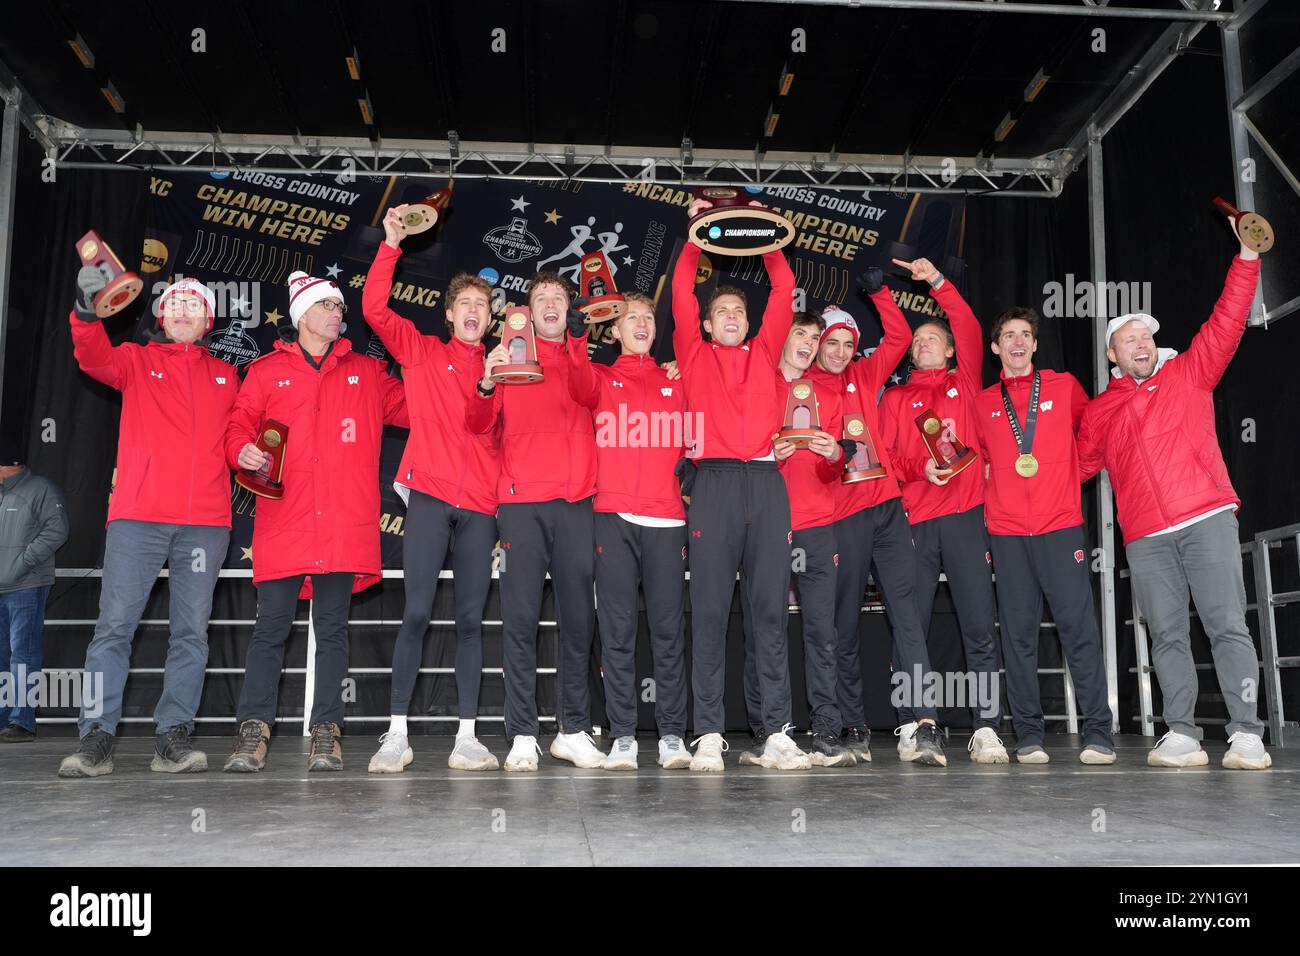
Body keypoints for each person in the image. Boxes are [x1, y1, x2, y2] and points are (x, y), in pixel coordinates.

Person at [1078, 223, 1268, 770]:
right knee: (1166, 634)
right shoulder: (1099, 410)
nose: (1141, 344)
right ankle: (1182, 733)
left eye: (1146, 336)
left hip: (1205, 516)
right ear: (1112, 353)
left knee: (1226, 625)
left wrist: (1246, 257)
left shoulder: (1189, 372)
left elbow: (1227, 319)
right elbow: (1073, 468)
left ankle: (1247, 733)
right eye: (1129, 339)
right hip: (1145, 536)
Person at [223, 270, 407, 773]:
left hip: (343, 521)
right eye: (327, 305)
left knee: (332, 629)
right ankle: (253, 729)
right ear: (302, 314)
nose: (336, 313)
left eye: (339, 307)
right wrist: (241, 450)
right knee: (270, 629)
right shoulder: (265, 371)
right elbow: (238, 426)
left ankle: (327, 730)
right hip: (285, 519)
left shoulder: (367, 371)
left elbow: (418, 408)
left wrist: (452, 374)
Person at [59, 275, 236, 777]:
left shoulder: (227, 376)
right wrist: (86, 311)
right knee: (114, 627)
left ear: (207, 320)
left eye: (193, 305)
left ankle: (173, 737)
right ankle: (96, 737)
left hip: (204, 524)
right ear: (161, 315)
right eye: (173, 303)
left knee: (191, 634)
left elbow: (234, 438)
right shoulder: (135, 360)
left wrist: (248, 453)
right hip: (138, 518)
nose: (182, 311)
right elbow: (92, 356)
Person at [361, 206, 502, 774]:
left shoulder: (507, 369)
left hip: (481, 507)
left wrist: (490, 383)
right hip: (430, 497)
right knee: (416, 611)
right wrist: (391, 244)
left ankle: (467, 738)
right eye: (463, 303)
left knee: (470, 621)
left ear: (491, 319)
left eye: (481, 305)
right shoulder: (421, 352)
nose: (472, 311)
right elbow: (374, 309)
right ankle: (396, 734)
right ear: (448, 315)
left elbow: (487, 427)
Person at [672, 197, 808, 772]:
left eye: (738, 310)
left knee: (769, 614)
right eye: (721, 310)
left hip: (767, 484)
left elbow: (784, 285)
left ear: (750, 323)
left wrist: (765, 229)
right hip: (714, 485)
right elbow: (682, 288)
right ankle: (707, 733)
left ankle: (776, 731)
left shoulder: (767, 352)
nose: (731, 315)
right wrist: (697, 232)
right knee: (708, 613)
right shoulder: (692, 353)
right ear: (707, 324)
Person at [807, 274, 947, 766]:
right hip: (843, 516)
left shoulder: (865, 376)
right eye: (832, 342)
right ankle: (853, 725)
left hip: (888, 510)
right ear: (818, 344)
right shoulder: (803, 389)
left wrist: (880, 294)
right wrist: (834, 457)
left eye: (848, 344)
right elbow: (813, 465)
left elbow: (900, 337)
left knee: (907, 615)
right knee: (843, 623)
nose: (841, 352)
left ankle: (923, 723)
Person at [467, 272, 603, 772]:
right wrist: (487, 380)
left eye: (558, 297)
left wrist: (579, 344)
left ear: (568, 310)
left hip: (576, 503)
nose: (550, 303)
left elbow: (589, 395)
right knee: (520, 621)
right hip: (521, 504)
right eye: (540, 297)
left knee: (578, 622)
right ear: (526, 310)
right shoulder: (509, 357)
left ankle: (573, 730)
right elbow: (478, 423)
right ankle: (523, 733)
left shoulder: (580, 357)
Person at [878, 258, 1008, 763]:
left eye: (932, 338)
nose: (923, 343)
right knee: (909, 625)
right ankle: (913, 722)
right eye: (916, 341)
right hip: (914, 521)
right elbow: (884, 458)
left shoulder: (966, 382)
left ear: (951, 349)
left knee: (978, 624)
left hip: (966, 516)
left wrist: (936, 281)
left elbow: (969, 324)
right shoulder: (895, 398)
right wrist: (918, 471)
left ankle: (987, 726)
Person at [974, 306, 1115, 765]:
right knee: (1017, 638)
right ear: (995, 347)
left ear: (1034, 345)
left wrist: (1072, 477)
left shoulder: (1064, 386)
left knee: (1079, 631)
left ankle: (1099, 733)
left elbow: (1093, 434)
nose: (1017, 342)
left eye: (1025, 335)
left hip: (1061, 528)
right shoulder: (982, 402)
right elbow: (977, 461)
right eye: (1008, 336)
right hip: (1008, 534)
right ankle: (1029, 735)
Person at [566, 293, 692, 771]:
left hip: (667, 520)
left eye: (647, 318)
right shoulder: (601, 377)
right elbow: (578, 381)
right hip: (612, 517)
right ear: (614, 330)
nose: (641, 324)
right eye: (630, 318)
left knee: (668, 633)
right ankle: (622, 736)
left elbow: (701, 434)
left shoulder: (678, 380)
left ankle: (673, 736)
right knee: (616, 632)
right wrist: (577, 336)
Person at [740, 312, 856, 768]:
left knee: (821, 631)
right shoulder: (756, 384)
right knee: (763, 629)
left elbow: (834, 469)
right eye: (800, 334)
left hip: (817, 523)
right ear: (782, 338)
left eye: (814, 337)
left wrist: (834, 454)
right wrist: (770, 454)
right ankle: (768, 730)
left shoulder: (829, 391)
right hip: (765, 523)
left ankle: (826, 730)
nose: (808, 343)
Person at [0, 445, 69, 742]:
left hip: (26, 586)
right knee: (4, 656)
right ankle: (5, 718)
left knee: (23, 654)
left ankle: (22, 721)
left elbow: (57, 531)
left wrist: (22, 563)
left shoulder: (41, 489)